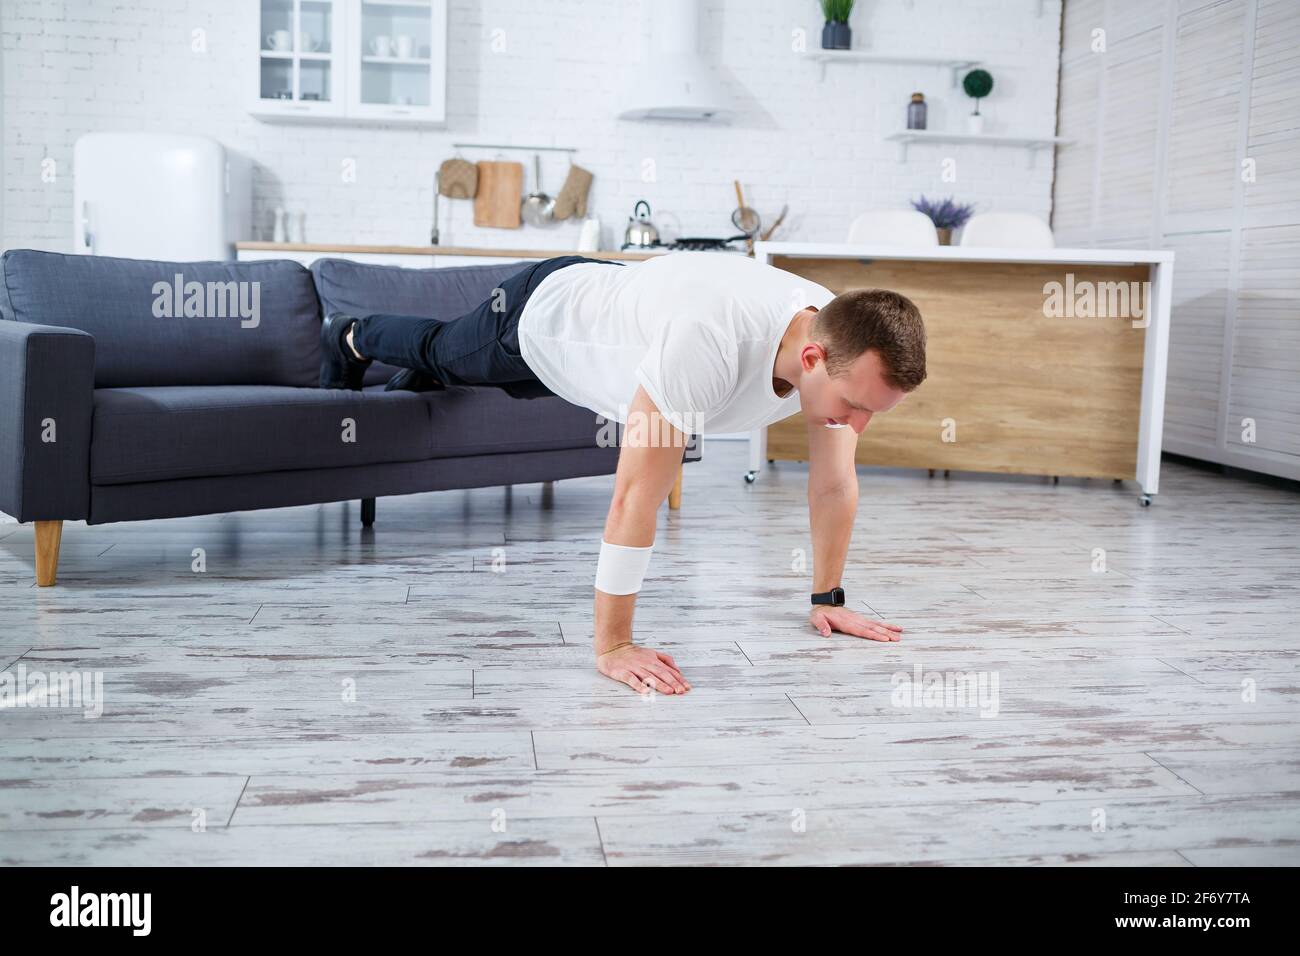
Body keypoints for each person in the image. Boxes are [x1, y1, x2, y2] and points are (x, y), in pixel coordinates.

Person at [319, 252, 927, 695]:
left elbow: (833, 483)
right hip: (542, 318)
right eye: (856, 405)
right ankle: (349, 335)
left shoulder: (837, 339)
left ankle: (415, 378)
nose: (858, 423)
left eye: (875, 410)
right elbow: (635, 496)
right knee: (446, 354)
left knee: (460, 374)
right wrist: (612, 645)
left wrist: (828, 598)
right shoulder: (707, 343)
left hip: (613, 343)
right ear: (813, 359)